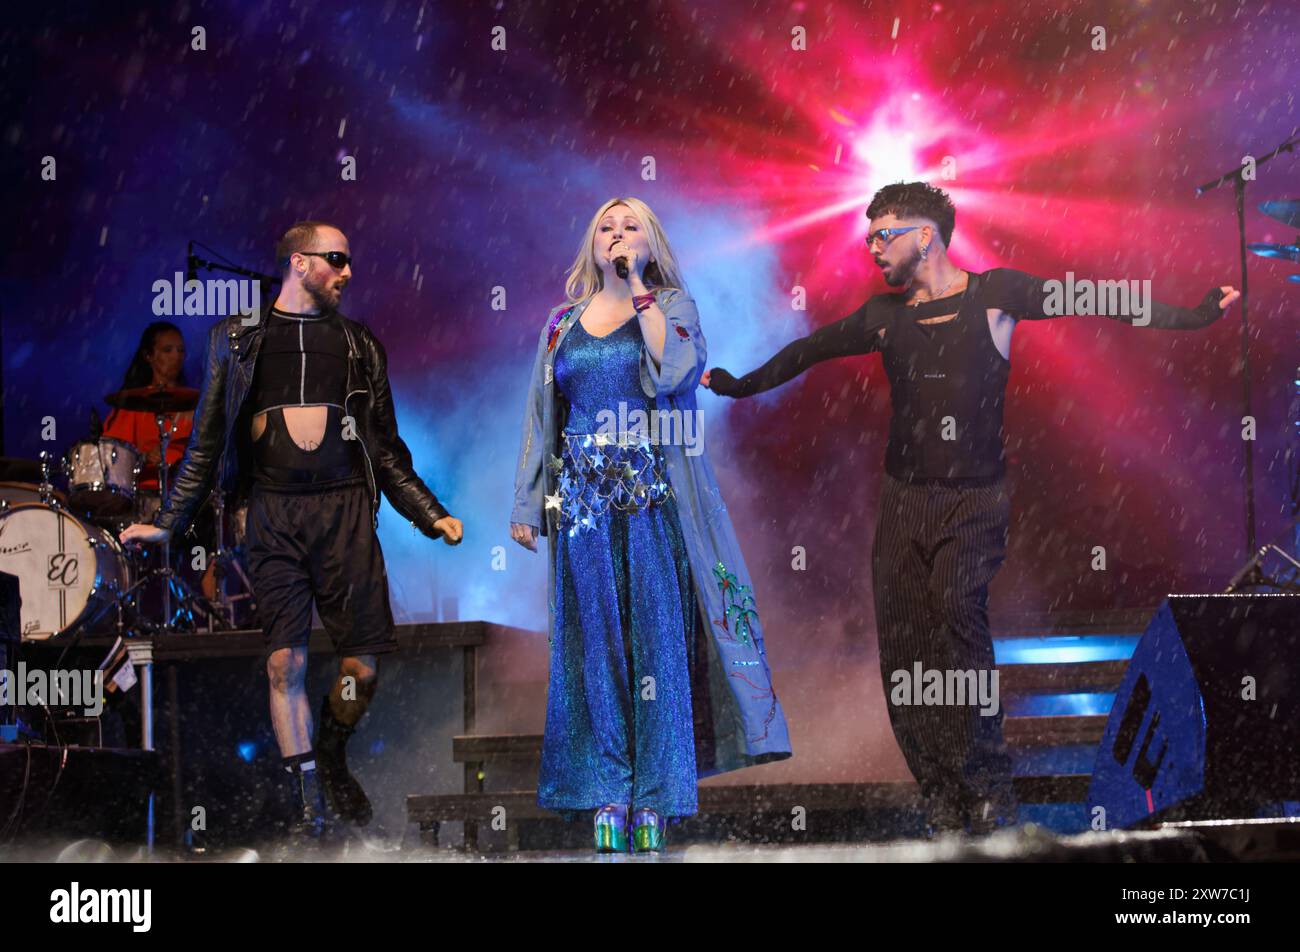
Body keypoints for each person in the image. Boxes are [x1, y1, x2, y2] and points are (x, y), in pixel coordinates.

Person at [704, 181, 1239, 836]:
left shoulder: (998, 295)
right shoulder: (884, 317)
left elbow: (1099, 300)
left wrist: (1194, 313)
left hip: (975, 501)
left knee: (957, 611)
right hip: (905, 503)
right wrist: (740, 385)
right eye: (869, 235)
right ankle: (942, 795)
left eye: (883, 232)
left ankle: (987, 792)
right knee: (905, 651)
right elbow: (808, 350)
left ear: (924, 234)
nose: (872, 246)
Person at [120, 221, 464, 843]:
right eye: (337, 260)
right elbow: (203, 445)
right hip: (274, 513)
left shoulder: (361, 344)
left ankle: (331, 751)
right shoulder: (236, 340)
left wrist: (427, 511)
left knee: (362, 668)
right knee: (286, 661)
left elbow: (384, 448)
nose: (348, 271)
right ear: (300, 263)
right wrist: (168, 522)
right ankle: (310, 805)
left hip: (345, 514)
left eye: (349, 260)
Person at [511, 197, 791, 853]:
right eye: (606, 226)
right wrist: (528, 505)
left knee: (656, 652)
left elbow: (674, 372)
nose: (616, 233)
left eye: (630, 225)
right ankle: (608, 790)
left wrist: (638, 285)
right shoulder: (561, 323)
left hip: (651, 503)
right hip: (581, 509)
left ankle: (655, 800)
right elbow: (540, 415)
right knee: (595, 651)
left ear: (651, 242)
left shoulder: (673, 308)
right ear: (590, 243)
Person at [102, 321, 193, 494]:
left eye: (181, 350)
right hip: (145, 494)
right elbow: (112, 459)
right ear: (148, 355)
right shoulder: (132, 405)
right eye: (168, 350)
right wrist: (144, 457)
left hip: (189, 495)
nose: (176, 356)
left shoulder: (195, 404)